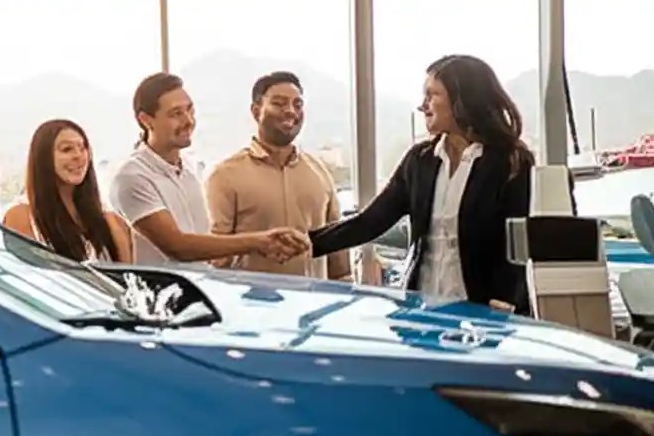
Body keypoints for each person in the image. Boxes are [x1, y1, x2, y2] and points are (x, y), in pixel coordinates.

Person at [307, 54, 534, 311]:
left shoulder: (511, 162)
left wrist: (505, 301)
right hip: (423, 307)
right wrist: (308, 243)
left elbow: (518, 242)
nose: (423, 105)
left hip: (485, 312)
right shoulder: (419, 161)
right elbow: (371, 221)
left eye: (432, 95)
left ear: (463, 99)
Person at [109, 72, 309, 266]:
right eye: (176, 114)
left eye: (190, 110)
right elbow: (178, 247)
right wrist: (259, 242)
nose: (188, 121)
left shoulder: (189, 168)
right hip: (160, 288)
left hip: (200, 285)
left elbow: (203, 241)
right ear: (146, 120)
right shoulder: (132, 177)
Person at [204, 72, 352, 280]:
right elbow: (215, 256)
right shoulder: (224, 175)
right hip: (250, 298)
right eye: (279, 104)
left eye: (297, 105)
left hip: (312, 297)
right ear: (256, 111)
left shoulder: (319, 172)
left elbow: (337, 251)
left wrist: (345, 286)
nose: (290, 111)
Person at [3, 119, 133, 263]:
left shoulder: (110, 219)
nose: (78, 155)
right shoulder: (22, 215)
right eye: (67, 149)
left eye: (83, 148)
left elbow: (127, 273)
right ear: (43, 157)